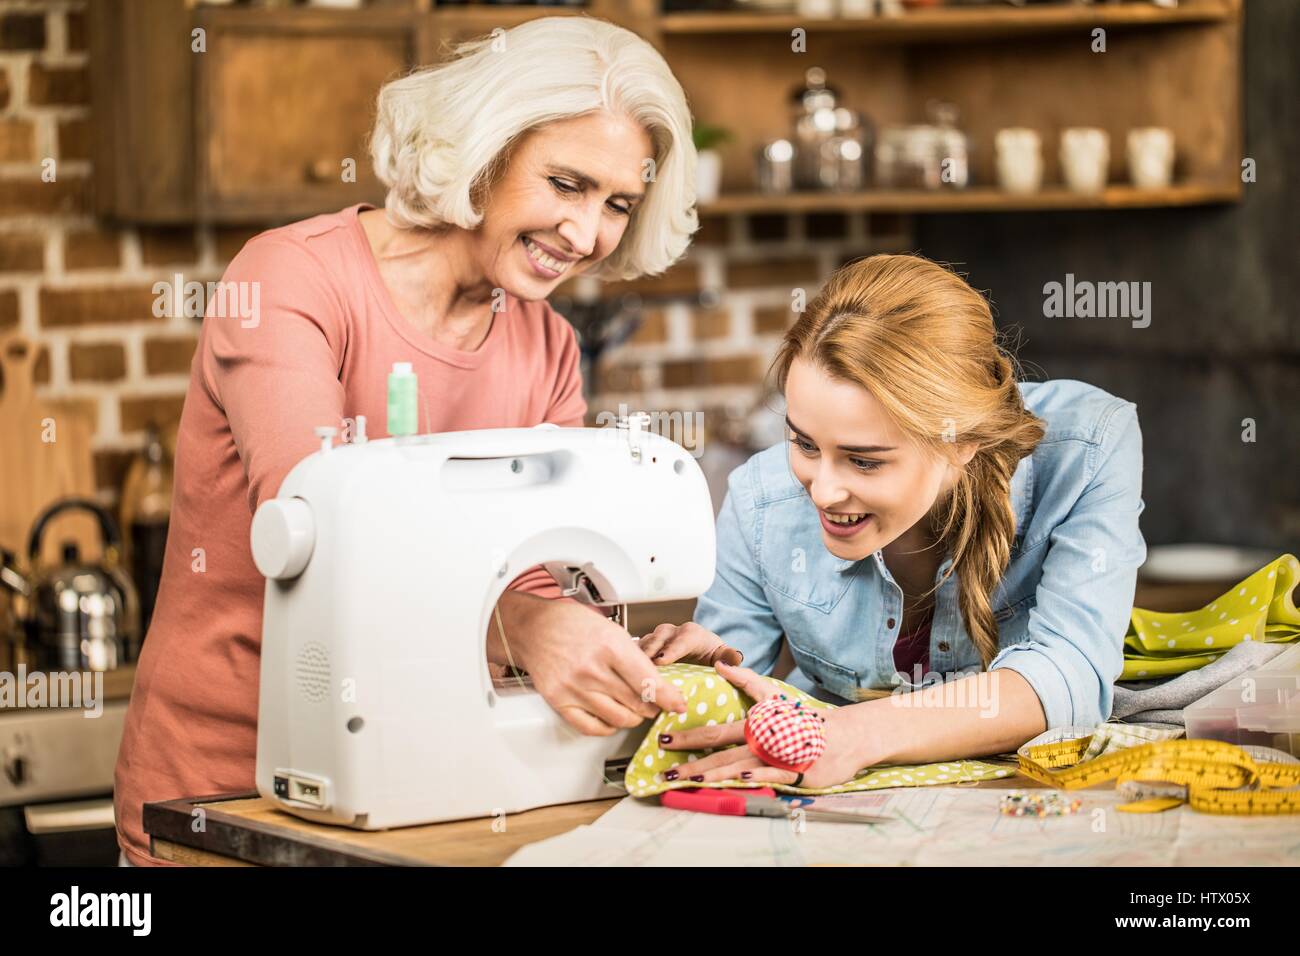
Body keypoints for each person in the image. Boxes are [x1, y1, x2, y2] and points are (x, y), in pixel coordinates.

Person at [114, 16, 705, 866]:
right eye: (566, 184)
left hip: (423, 790)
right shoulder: (293, 281)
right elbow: (317, 538)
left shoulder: (547, 347)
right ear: (485, 151)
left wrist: (638, 646)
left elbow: (539, 576)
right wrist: (522, 626)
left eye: (617, 204)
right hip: (225, 794)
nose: (586, 234)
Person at [640, 254, 1147, 789]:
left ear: (961, 442)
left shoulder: (1087, 446)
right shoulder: (760, 495)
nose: (823, 490)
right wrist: (699, 678)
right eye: (804, 443)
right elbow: (739, 696)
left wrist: (855, 734)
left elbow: (1070, 673)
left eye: (864, 460)